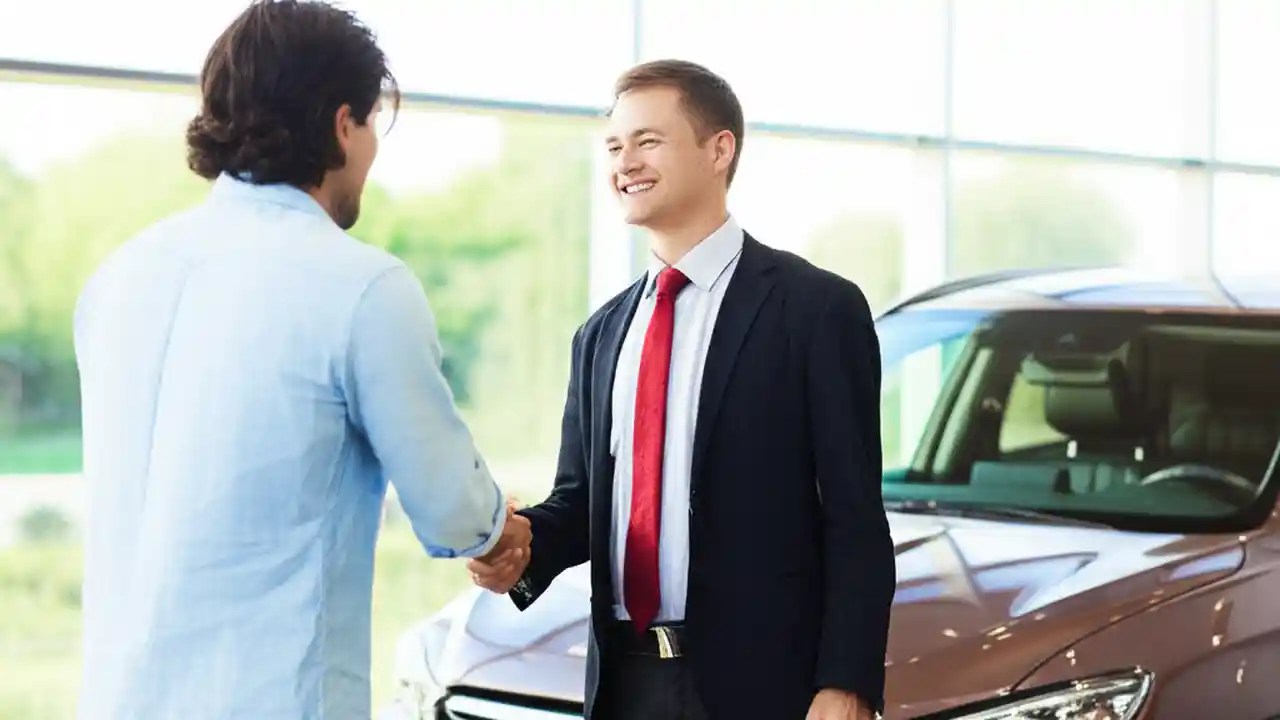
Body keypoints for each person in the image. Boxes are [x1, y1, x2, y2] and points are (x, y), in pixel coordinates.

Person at [72, 2, 529, 718]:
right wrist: (502, 531)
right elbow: (450, 511)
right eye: (373, 122)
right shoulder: (363, 287)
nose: (373, 149)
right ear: (342, 123)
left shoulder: (118, 277)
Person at [468, 59, 895, 720]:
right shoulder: (601, 334)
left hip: (765, 689)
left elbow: (856, 520)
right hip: (624, 685)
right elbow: (585, 505)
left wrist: (848, 682)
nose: (625, 162)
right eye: (614, 146)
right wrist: (517, 545)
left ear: (718, 149)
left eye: (648, 141)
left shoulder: (814, 310)